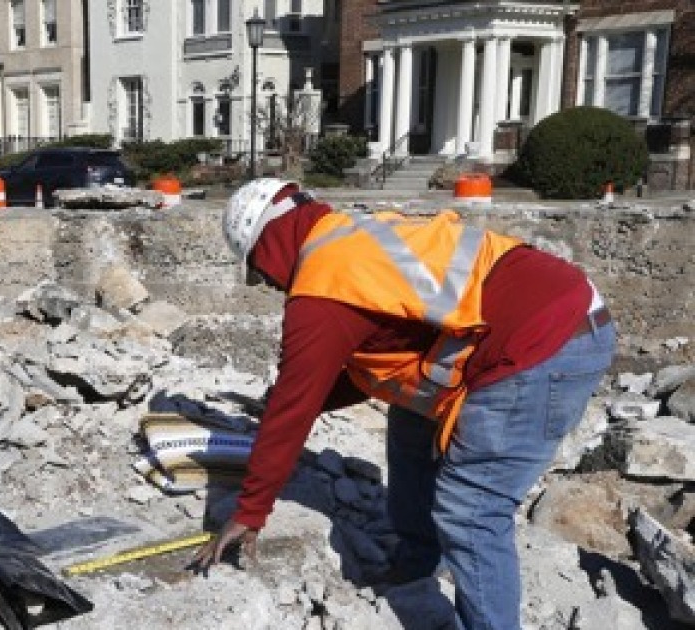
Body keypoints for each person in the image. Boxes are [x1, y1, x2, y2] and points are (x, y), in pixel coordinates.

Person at [192, 179, 616, 630]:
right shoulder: (349, 239)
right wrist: (292, 401)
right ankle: (415, 565)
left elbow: (294, 408)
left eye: (258, 271)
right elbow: (358, 368)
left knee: (471, 509)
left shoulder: (322, 288)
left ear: (267, 245)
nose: (267, 284)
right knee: (411, 419)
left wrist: (250, 510)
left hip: (546, 344)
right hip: (563, 315)